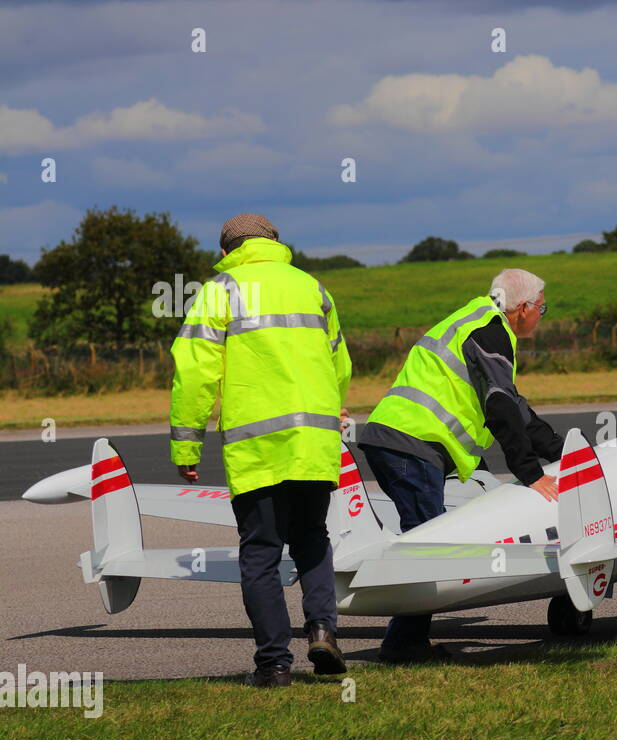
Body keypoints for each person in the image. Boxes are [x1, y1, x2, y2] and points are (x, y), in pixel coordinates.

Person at [169, 213, 353, 687]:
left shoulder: (220, 289)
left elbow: (194, 373)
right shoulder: (312, 287)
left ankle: (273, 664)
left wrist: (187, 444)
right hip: (314, 440)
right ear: (276, 242)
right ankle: (323, 630)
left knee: (261, 554)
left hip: (258, 447)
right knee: (312, 538)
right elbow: (340, 364)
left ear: (227, 250)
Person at [358, 268, 563, 663]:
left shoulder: (477, 322)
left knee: (426, 540)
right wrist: (531, 474)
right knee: (428, 545)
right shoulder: (490, 331)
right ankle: (402, 645)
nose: (542, 314)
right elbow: (500, 407)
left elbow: (518, 411)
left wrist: (564, 452)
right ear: (523, 308)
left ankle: (405, 641)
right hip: (411, 444)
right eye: (542, 307)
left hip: (402, 441)